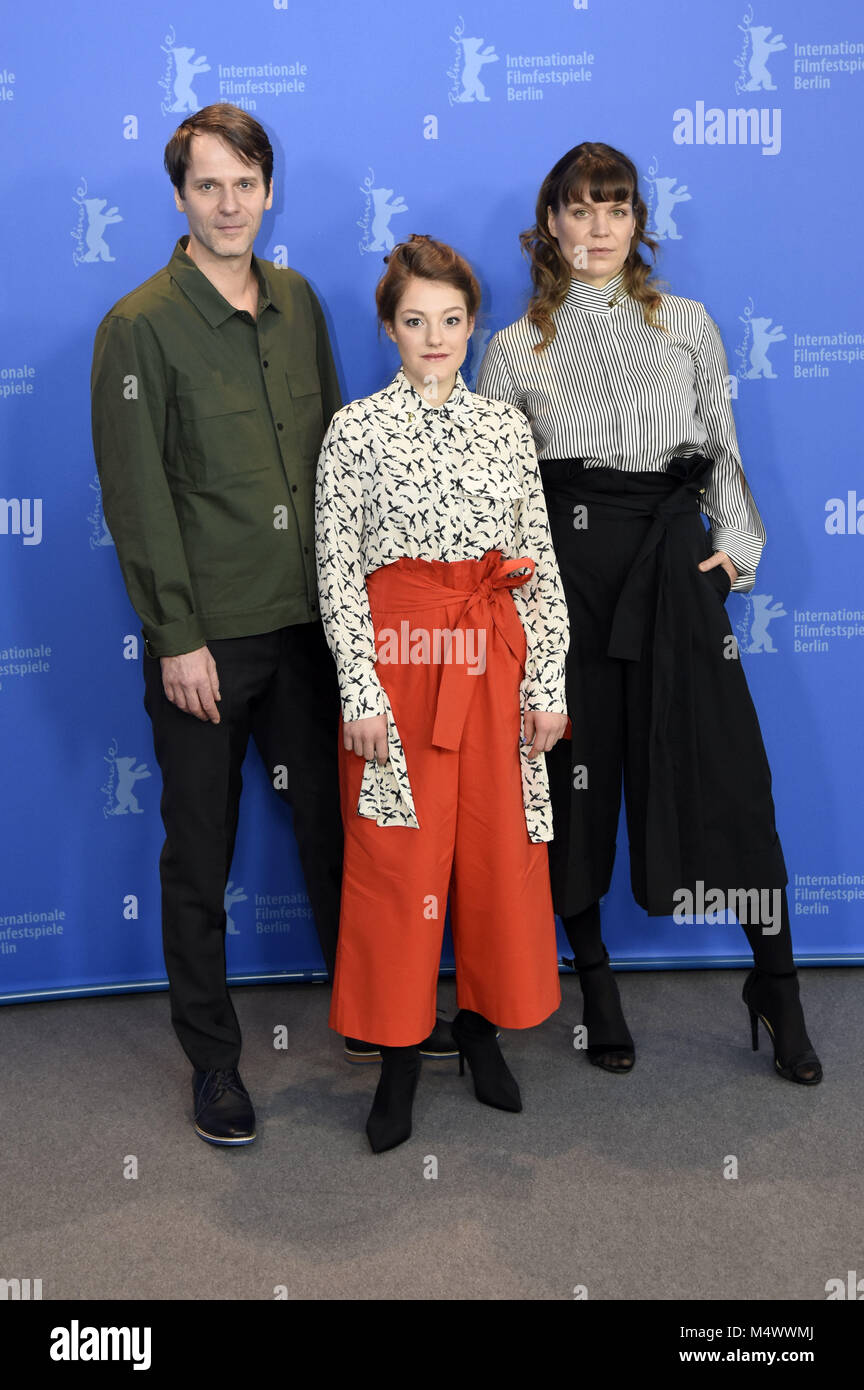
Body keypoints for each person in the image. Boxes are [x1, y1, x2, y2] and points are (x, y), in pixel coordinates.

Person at [477, 141, 821, 1086]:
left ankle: (778, 987)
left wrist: (732, 556)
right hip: (566, 577)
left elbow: (723, 447)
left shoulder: (689, 324)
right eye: (580, 210)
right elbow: (500, 493)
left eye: (616, 209)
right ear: (551, 224)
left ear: (638, 223)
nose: (597, 229)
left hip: (672, 565)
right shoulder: (511, 350)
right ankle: (598, 990)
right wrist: (515, 599)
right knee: (576, 779)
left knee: (728, 776)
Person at [91, 103, 350, 1147]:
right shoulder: (138, 324)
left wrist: (351, 613)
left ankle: (374, 1015)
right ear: (180, 196)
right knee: (200, 855)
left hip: (310, 631)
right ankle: (214, 1064)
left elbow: (339, 461)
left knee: (338, 832)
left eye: (245, 182)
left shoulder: (300, 301)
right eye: (208, 185)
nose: (229, 203)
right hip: (209, 640)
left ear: (269, 190)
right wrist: (177, 636)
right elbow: (137, 495)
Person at [315, 235, 569, 1152]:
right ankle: (395, 1053)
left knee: (499, 858)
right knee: (398, 870)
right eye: (415, 321)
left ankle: (482, 1030)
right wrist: (360, 691)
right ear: (389, 329)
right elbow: (338, 573)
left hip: (494, 668)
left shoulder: (506, 428)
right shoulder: (354, 432)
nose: (435, 337)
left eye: (451, 321)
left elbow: (535, 566)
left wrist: (547, 679)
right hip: (399, 666)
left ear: (473, 326)